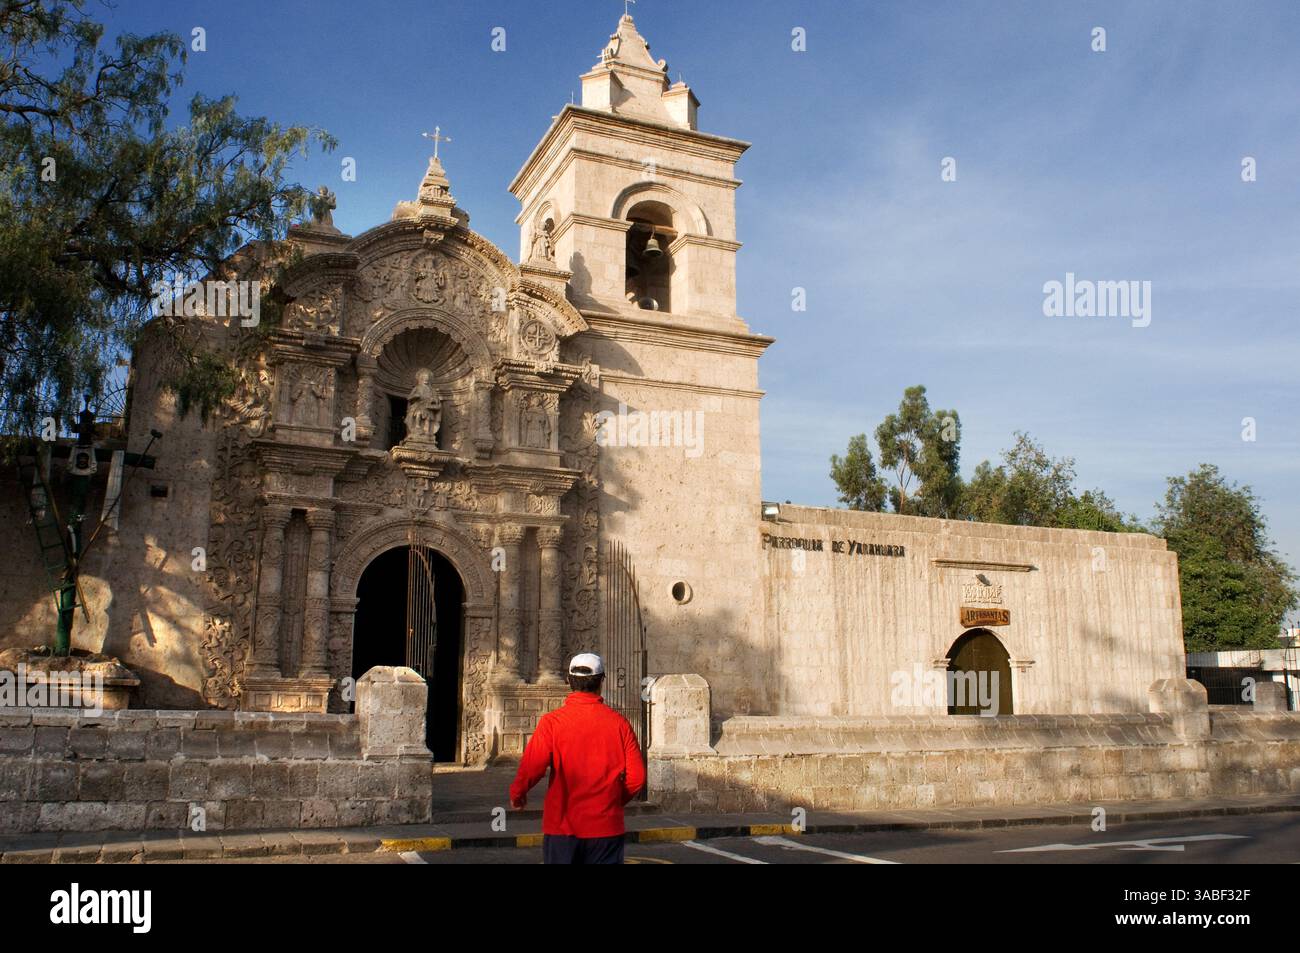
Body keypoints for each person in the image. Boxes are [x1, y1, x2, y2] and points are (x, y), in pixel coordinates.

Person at [508, 653, 645, 864]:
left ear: (568, 682)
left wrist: (518, 794)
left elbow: (532, 767)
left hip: (562, 828)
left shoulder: (552, 723)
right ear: (602, 681)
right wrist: (612, 802)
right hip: (606, 828)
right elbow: (637, 777)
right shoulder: (620, 724)